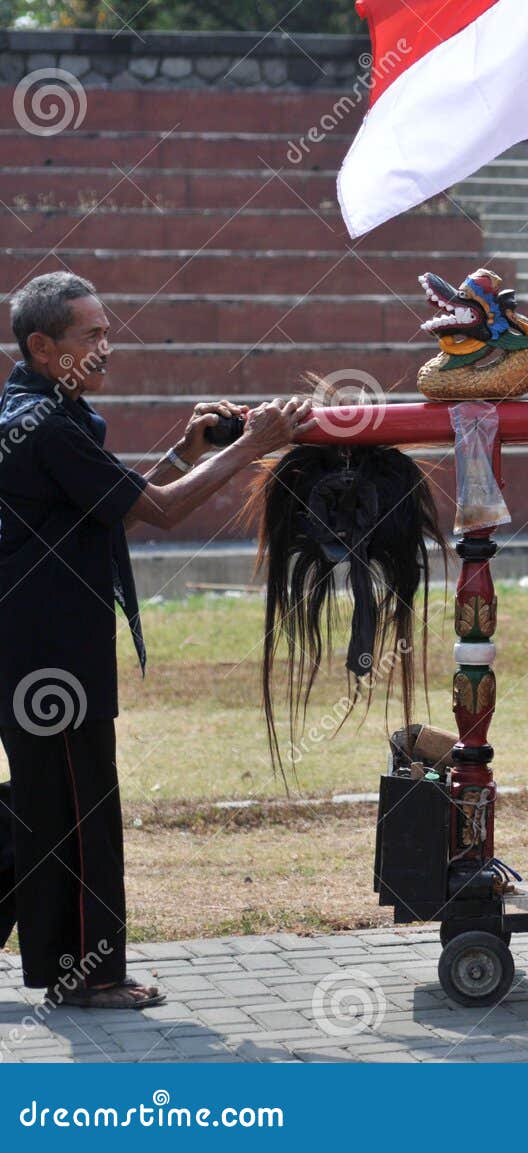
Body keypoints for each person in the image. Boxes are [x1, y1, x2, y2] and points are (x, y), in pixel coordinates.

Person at [0, 271, 310, 1009]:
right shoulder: (44, 423)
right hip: (49, 655)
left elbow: (118, 507)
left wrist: (185, 448)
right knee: (80, 814)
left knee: (49, 806)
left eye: (108, 331)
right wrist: (256, 444)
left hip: (43, 649)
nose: (106, 347)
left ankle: (72, 968)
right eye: (90, 336)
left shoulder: (44, 414)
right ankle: (91, 975)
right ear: (43, 346)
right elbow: (164, 513)